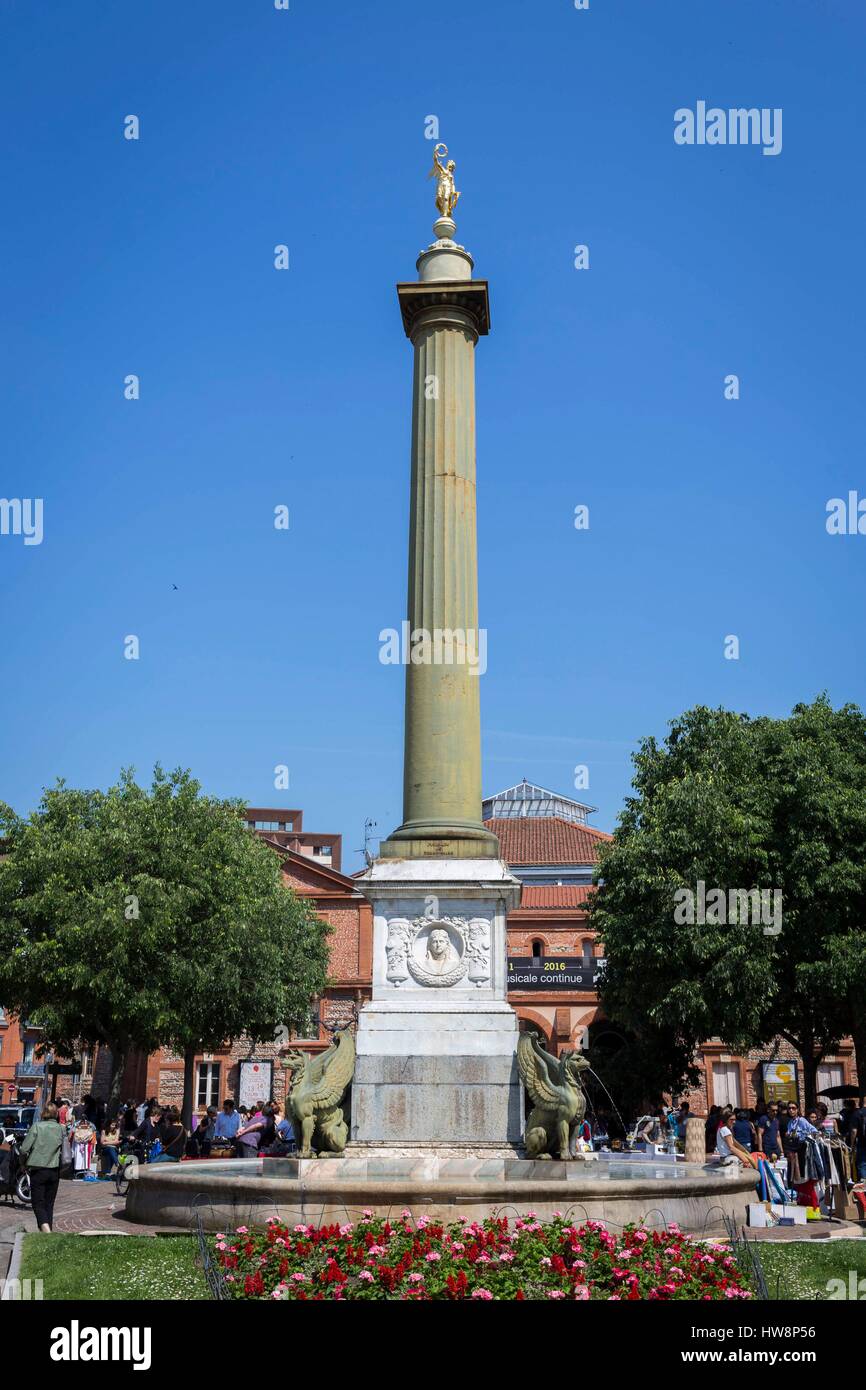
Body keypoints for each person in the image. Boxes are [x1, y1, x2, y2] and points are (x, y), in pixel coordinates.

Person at [20, 1102, 64, 1232]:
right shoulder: (61, 1128)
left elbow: (24, 1149)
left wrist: (23, 1163)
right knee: (49, 1204)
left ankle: (46, 1231)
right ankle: (46, 1232)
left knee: (38, 1203)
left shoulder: (37, 1127)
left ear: (43, 1113)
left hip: (38, 1169)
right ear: (56, 1114)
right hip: (54, 1170)